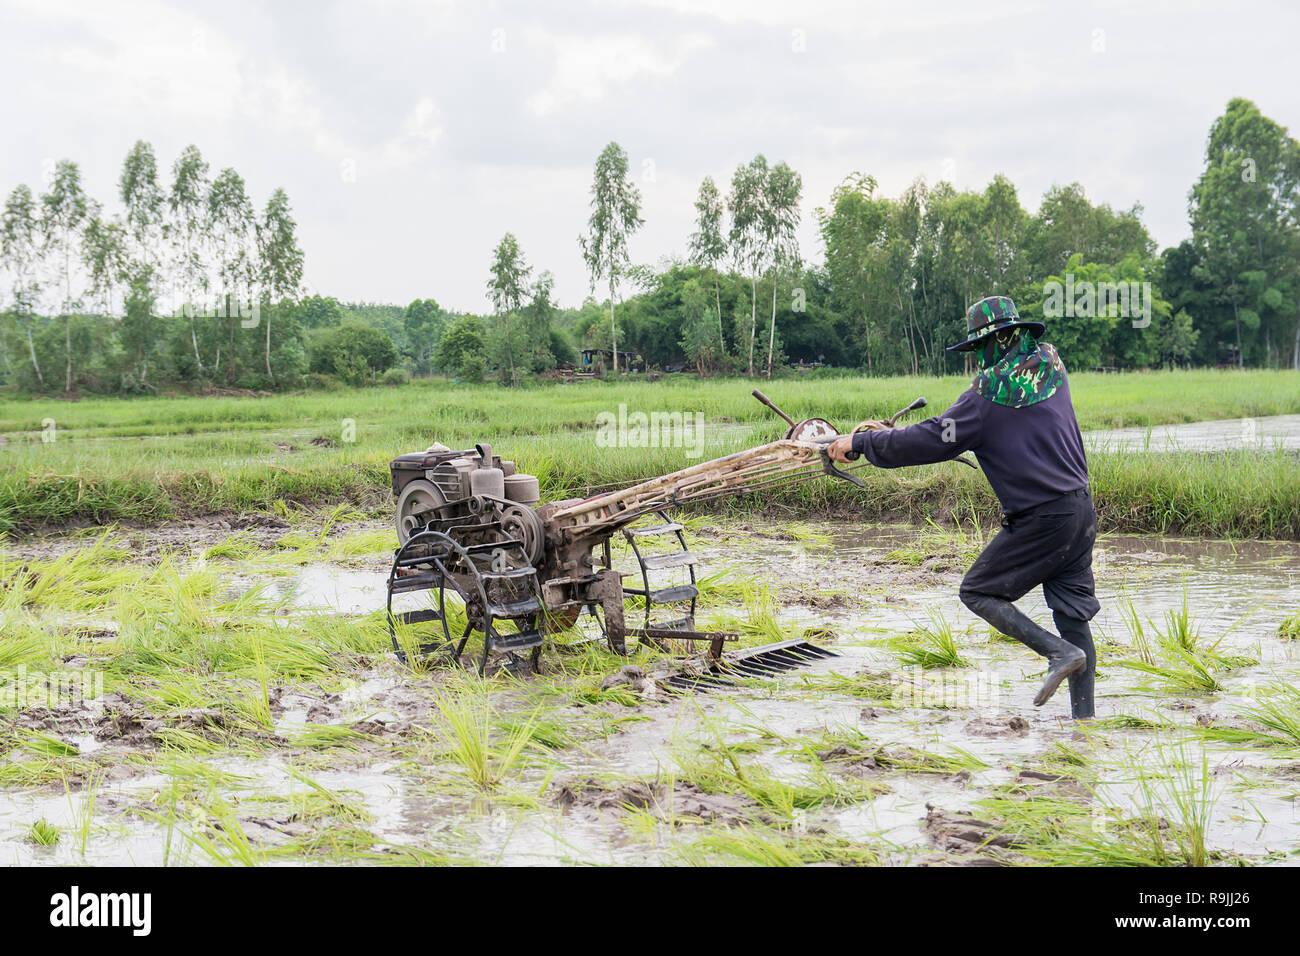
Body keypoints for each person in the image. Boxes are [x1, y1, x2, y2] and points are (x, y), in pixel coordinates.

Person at [827, 295, 1099, 718]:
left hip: (1043, 518)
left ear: (996, 341)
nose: (977, 360)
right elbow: (949, 428)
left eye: (979, 349)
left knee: (977, 590)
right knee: (1073, 619)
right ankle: (1086, 728)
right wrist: (892, 434)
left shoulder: (985, 397)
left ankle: (1057, 653)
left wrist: (861, 442)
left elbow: (937, 437)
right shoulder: (1051, 366)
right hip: (1081, 512)